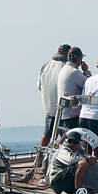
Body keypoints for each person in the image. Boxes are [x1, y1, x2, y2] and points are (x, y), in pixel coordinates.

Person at [32, 43, 70, 179]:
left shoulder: (45, 65)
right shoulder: (66, 68)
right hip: (62, 109)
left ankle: (39, 159)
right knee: (64, 139)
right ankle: (53, 165)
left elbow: (39, 86)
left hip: (48, 107)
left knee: (47, 134)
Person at [46, 129, 98, 194]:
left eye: (75, 142)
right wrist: (88, 159)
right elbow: (70, 160)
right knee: (83, 164)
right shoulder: (62, 149)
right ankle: (77, 192)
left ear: (79, 143)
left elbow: (87, 157)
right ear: (67, 140)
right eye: (70, 141)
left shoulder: (79, 149)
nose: (72, 144)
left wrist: (92, 158)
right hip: (57, 182)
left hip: (68, 182)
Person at [56, 47, 90, 128]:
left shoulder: (64, 69)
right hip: (72, 116)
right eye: (81, 58)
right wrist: (86, 71)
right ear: (78, 58)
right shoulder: (74, 72)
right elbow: (90, 86)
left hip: (62, 114)